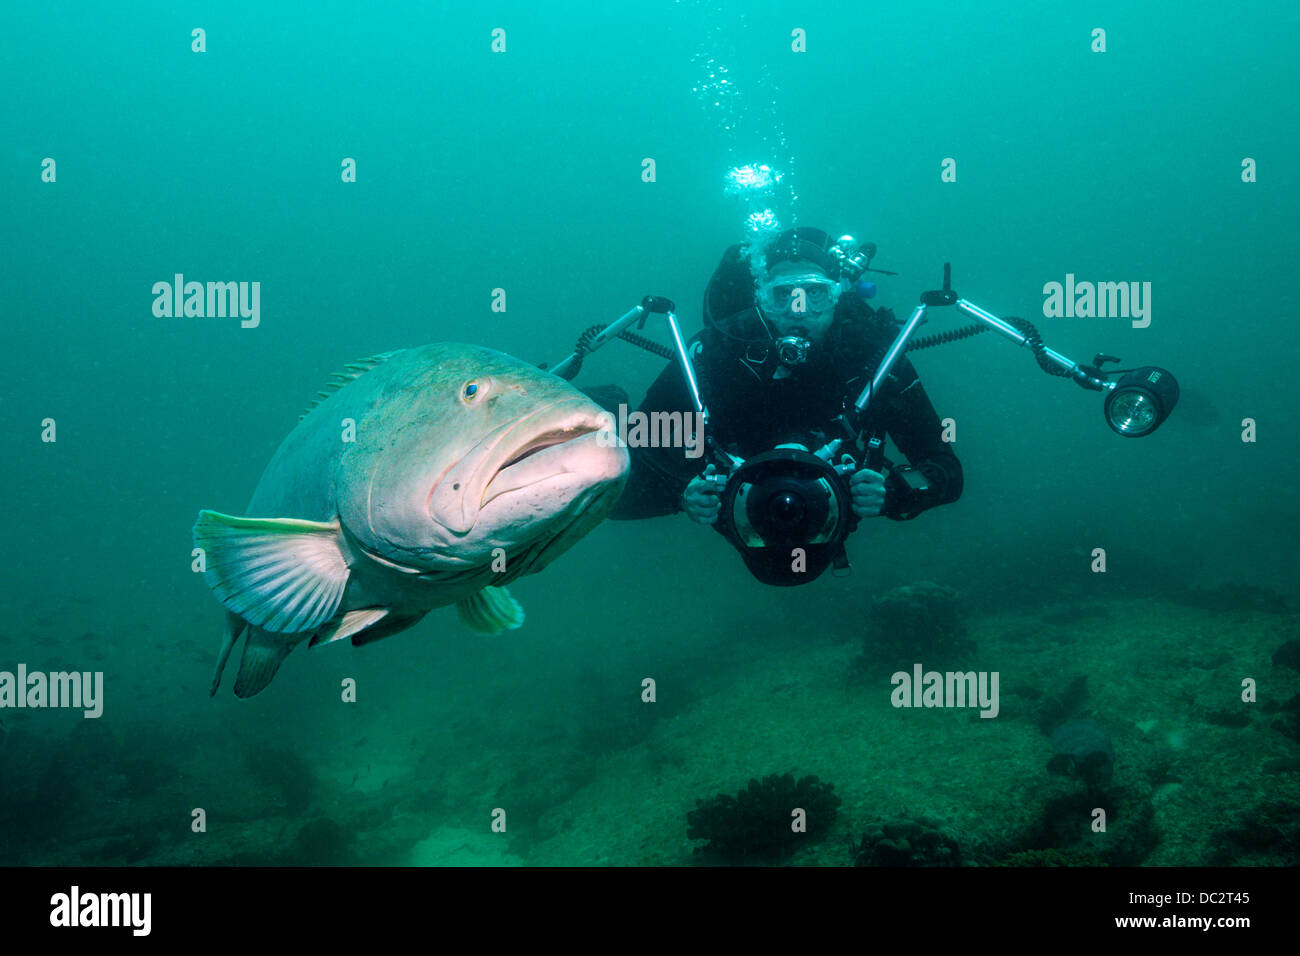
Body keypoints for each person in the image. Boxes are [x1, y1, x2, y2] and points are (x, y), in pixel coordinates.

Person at [609, 227, 962, 530]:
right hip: (734, 514)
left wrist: (894, 491)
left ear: (836, 296)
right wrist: (682, 493)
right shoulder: (715, 352)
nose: (799, 310)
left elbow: (944, 466)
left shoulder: (875, 357)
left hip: (833, 514)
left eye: (815, 293)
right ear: (761, 299)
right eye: (783, 295)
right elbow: (625, 472)